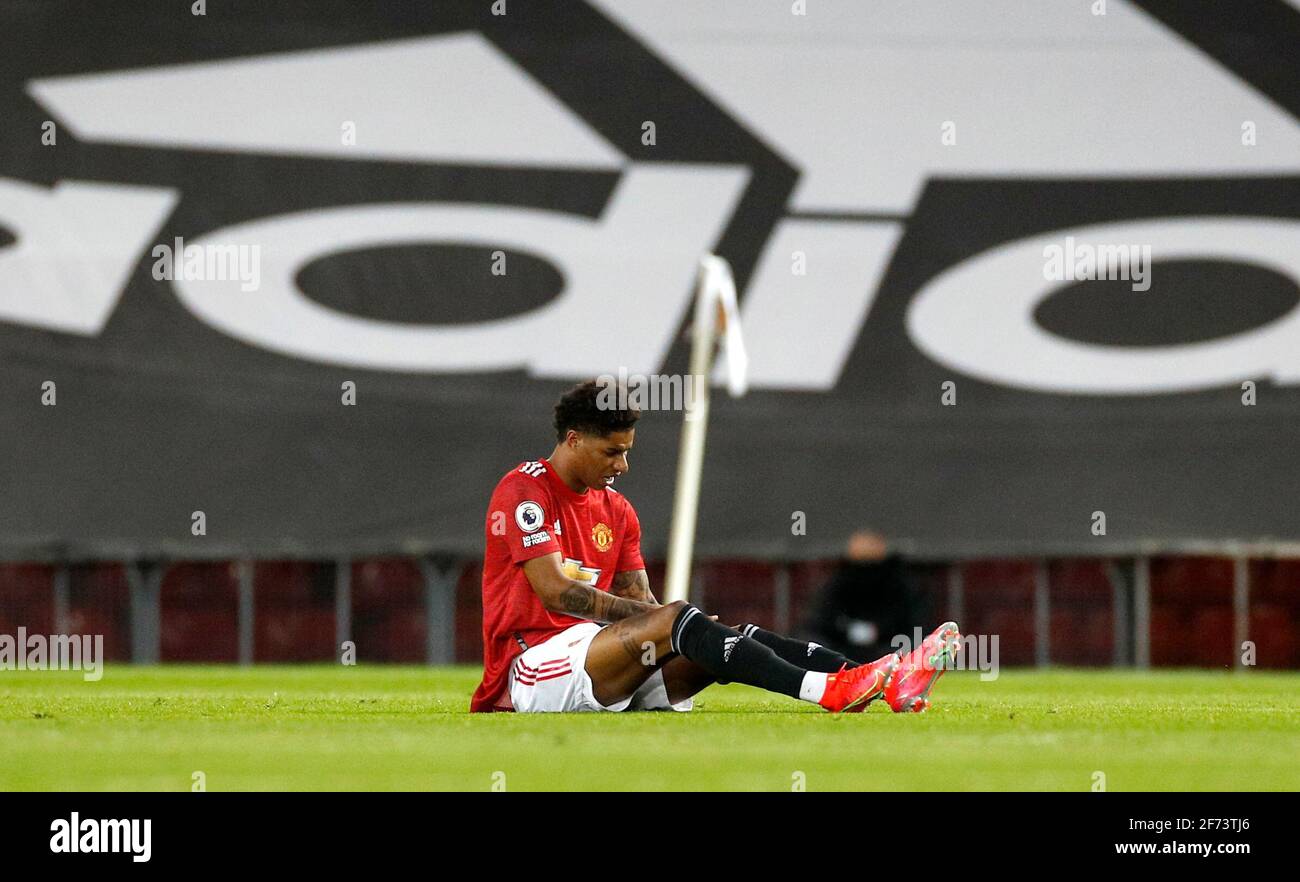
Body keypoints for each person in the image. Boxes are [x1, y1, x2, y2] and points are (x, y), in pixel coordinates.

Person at [469, 379, 960, 714]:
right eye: (612, 452)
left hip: (600, 662)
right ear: (573, 440)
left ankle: (883, 678)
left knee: (725, 636)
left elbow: (643, 605)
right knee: (680, 621)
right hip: (534, 668)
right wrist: (669, 624)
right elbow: (556, 593)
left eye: (627, 451)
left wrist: (685, 632)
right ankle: (828, 691)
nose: (622, 465)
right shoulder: (524, 490)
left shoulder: (616, 510)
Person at [802, 530, 925, 663]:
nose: (867, 575)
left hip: (890, 654)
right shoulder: (836, 587)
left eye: (872, 565)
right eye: (861, 564)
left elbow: (916, 628)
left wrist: (882, 635)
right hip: (842, 654)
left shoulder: (902, 587)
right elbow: (817, 626)